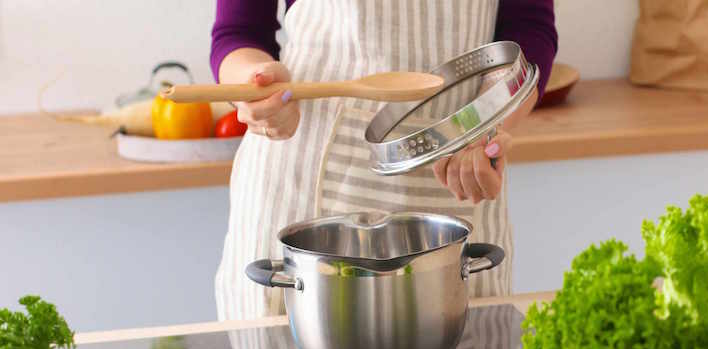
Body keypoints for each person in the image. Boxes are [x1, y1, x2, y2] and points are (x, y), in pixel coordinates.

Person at [211, 0, 558, 321]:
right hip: (300, 187)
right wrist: (255, 88)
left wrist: (484, 122)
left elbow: (528, 28)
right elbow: (239, 33)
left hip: (457, 177)